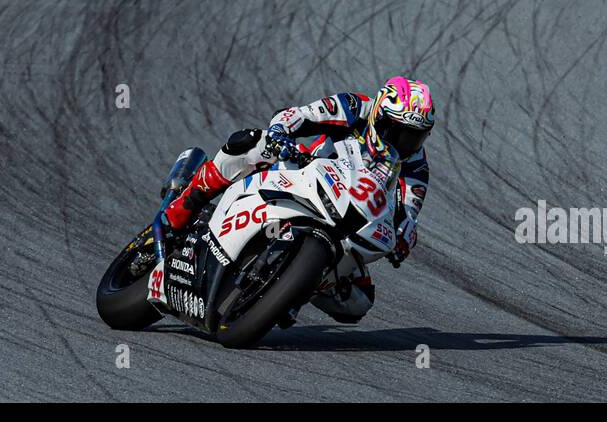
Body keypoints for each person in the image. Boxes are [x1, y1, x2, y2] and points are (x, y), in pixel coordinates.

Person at [160, 77, 436, 322]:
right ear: (378, 114)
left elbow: (408, 214)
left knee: (358, 303)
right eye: (397, 130)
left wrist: (405, 237)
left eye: (415, 136)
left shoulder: (415, 166)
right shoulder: (354, 107)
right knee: (253, 143)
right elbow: (299, 115)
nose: (404, 142)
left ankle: (295, 287)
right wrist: (280, 133)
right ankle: (184, 206)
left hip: (345, 220)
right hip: (301, 175)